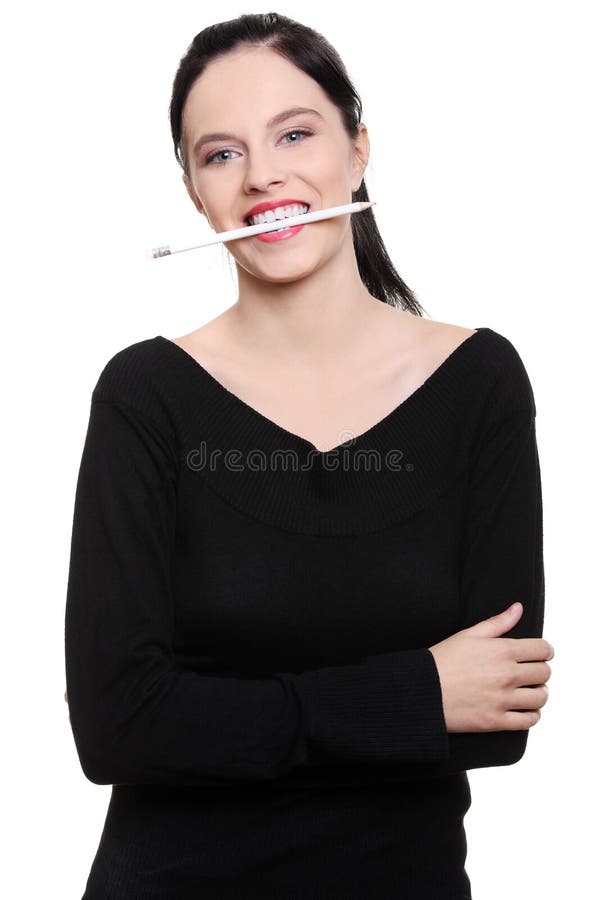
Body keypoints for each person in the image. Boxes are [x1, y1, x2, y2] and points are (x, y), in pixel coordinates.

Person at [64, 12, 554, 899]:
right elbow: (115, 728)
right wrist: (415, 696)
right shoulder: (145, 396)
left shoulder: (480, 381)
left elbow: (498, 718)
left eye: (295, 133)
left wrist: (222, 717)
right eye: (221, 154)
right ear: (195, 196)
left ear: (358, 149)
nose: (262, 176)